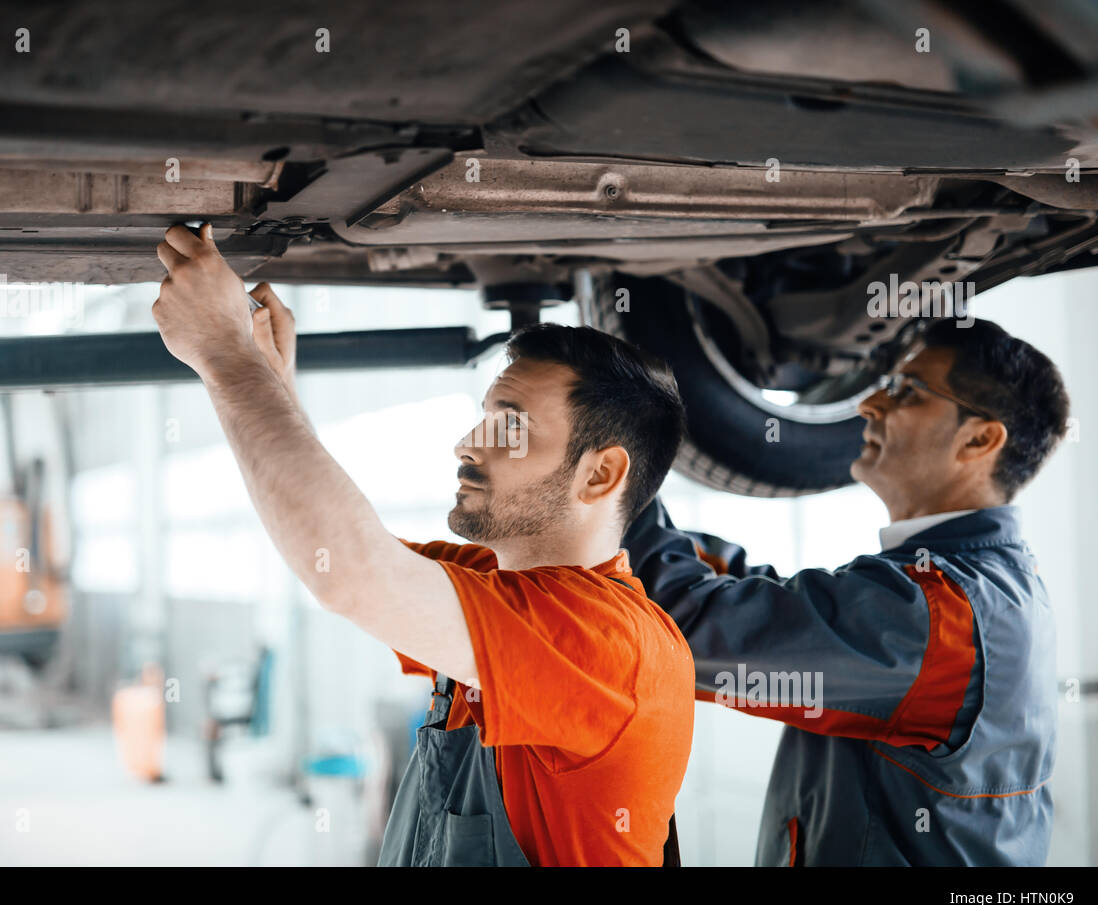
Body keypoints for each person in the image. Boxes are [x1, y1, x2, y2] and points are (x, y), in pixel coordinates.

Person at [151, 224, 695, 866]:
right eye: (484, 415)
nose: (468, 442)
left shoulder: (606, 641)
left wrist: (227, 357)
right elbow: (336, 549)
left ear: (599, 474)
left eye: (509, 427)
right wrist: (272, 386)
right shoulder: (498, 588)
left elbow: (349, 572)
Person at [623, 318, 1070, 865]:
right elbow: (756, 601)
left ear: (979, 438)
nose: (869, 404)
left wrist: (619, 468)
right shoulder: (975, 586)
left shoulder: (941, 615)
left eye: (907, 391)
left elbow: (686, 629)